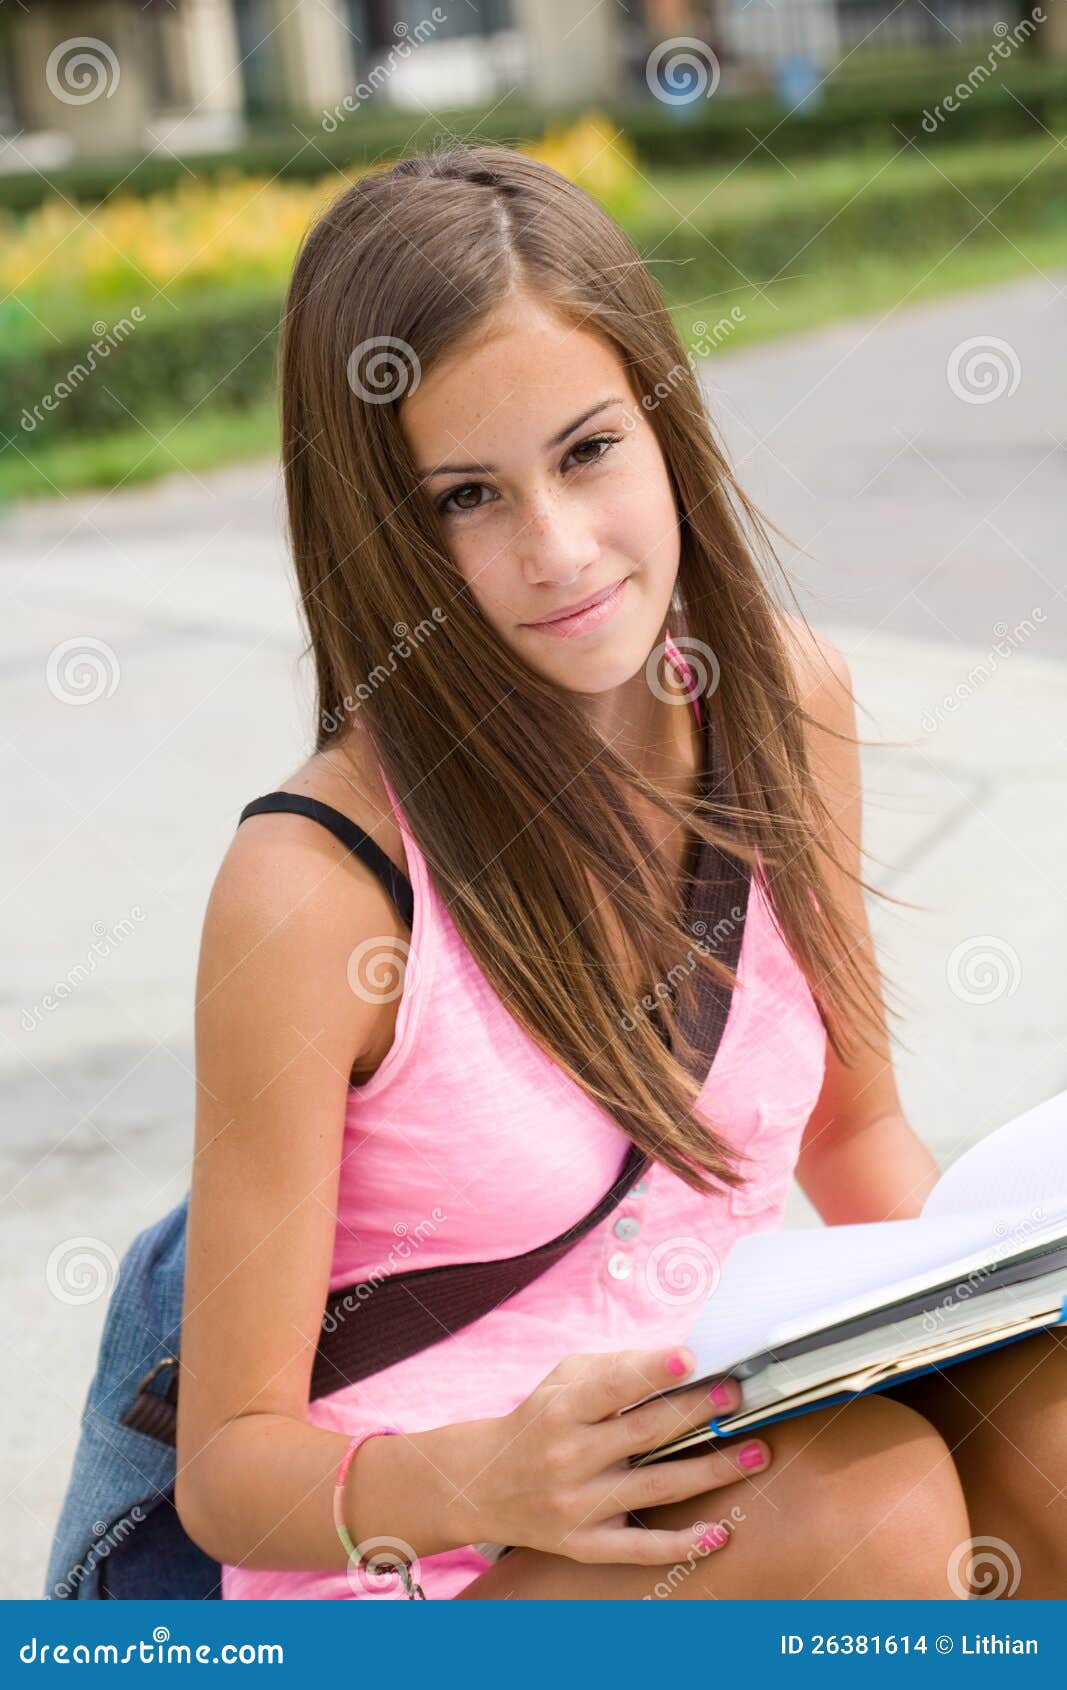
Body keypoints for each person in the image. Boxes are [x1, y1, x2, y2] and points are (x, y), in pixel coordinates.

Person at [173, 145, 1067, 1601]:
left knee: (1048, 1430)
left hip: (722, 1468)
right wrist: (494, 1474)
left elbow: (854, 1140)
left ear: (664, 425)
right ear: (379, 536)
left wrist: (1010, 1296)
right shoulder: (315, 885)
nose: (559, 549)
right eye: (466, 497)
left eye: (588, 451)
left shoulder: (785, 705)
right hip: (432, 1579)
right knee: (876, 1504)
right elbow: (225, 1469)